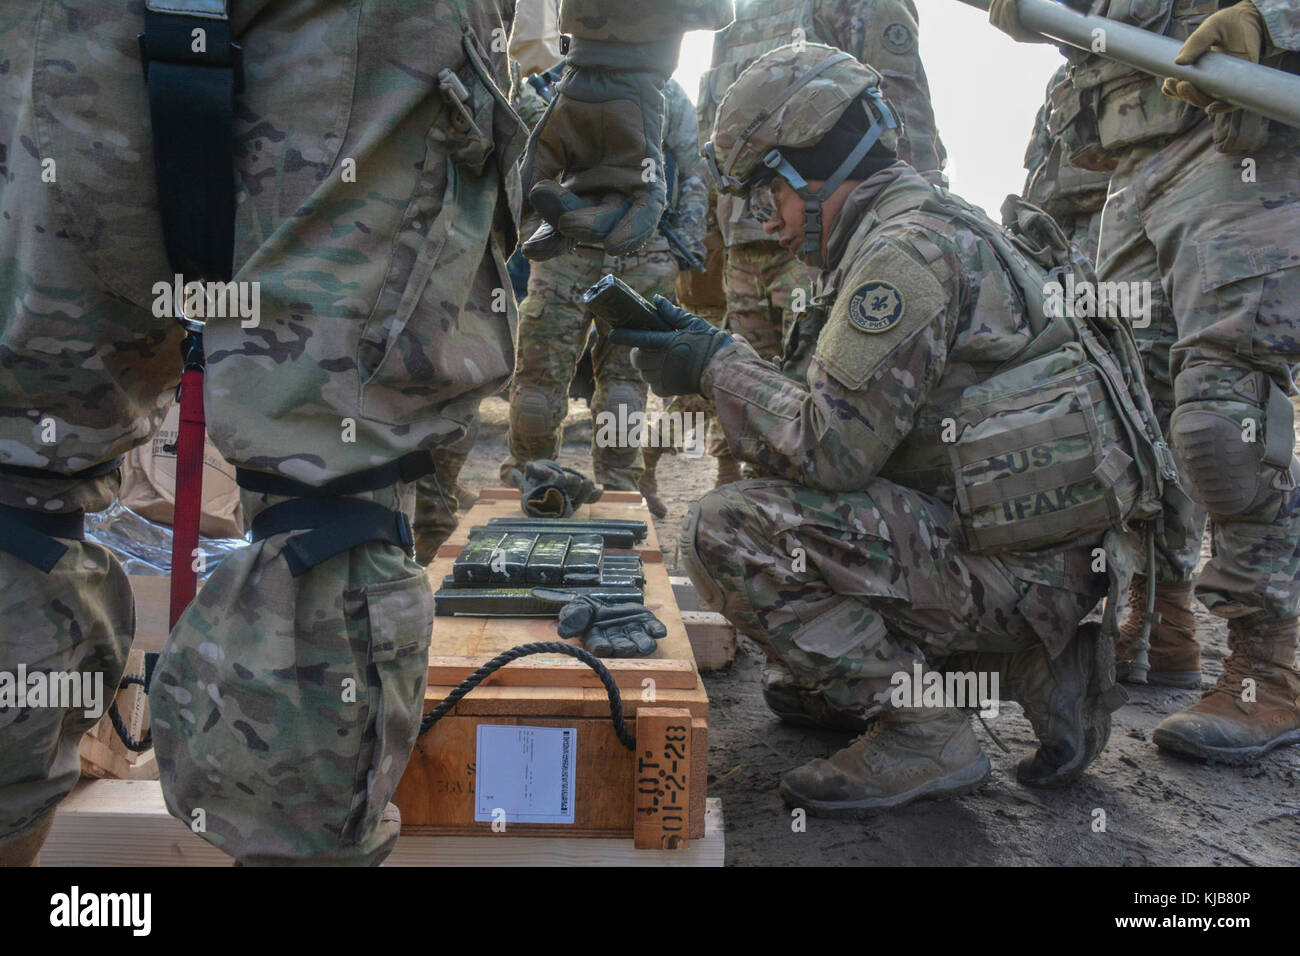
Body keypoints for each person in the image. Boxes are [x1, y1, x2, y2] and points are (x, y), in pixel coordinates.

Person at [0, 0, 735, 867]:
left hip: (62, 39)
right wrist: (620, 76)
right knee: (331, 500)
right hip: (364, 41)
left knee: (19, 484)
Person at [613, 43, 1167, 814]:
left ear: (816, 166)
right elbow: (847, 421)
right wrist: (721, 357)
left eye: (770, 191)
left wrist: (714, 369)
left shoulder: (900, 258)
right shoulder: (931, 224)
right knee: (786, 506)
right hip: (1044, 561)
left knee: (727, 530)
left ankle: (925, 729)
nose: (765, 220)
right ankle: (1037, 669)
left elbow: (832, 452)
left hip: (1018, 570)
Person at [991, 0, 1300, 763]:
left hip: (1238, 132)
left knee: (1221, 416)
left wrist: (1276, 20)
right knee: (1133, 410)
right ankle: (1164, 623)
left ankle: (1270, 672)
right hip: (1127, 162)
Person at [691, 0, 948, 488]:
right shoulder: (737, 17)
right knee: (770, 382)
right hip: (749, 234)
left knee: (830, 398)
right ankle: (759, 497)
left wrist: (908, 228)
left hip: (832, 227)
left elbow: (897, 110)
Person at [500, 75, 707, 496]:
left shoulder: (564, 83)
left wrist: (528, 233)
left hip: (567, 247)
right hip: (643, 246)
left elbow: (531, 165)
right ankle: (617, 491)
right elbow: (693, 169)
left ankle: (532, 483)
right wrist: (680, 245)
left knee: (539, 385)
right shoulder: (665, 89)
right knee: (624, 389)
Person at [1020, 65, 1111, 265]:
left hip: (1112, 225)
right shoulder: (1061, 80)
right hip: (1064, 241)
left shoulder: (1133, 54)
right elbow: (1035, 175)